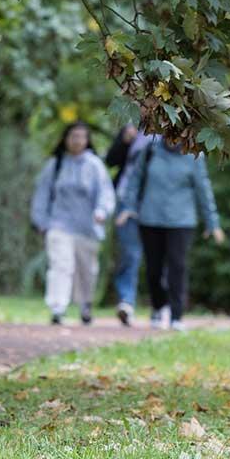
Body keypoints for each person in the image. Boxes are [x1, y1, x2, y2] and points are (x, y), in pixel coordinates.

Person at [116, 135, 224, 331]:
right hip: (150, 218)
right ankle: (158, 307)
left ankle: (176, 315)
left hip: (181, 221)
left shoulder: (194, 155)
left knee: (177, 267)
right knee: (153, 270)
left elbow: (203, 189)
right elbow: (135, 179)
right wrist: (128, 207)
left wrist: (212, 223)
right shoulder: (150, 150)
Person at [30, 121, 115, 325]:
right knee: (61, 264)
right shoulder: (56, 164)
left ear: (87, 140)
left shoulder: (94, 165)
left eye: (81, 137)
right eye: (73, 136)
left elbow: (105, 192)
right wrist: (40, 221)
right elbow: (42, 194)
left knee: (87, 270)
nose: (77, 141)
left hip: (87, 227)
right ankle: (58, 307)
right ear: (65, 139)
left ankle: (85, 304)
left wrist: (102, 211)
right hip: (59, 224)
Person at [103, 122, 149, 325]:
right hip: (125, 200)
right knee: (130, 253)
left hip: (158, 203)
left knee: (159, 254)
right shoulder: (131, 129)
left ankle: (161, 305)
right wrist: (124, 141)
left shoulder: (172, 128)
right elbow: (111, 160)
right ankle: (126, 301)